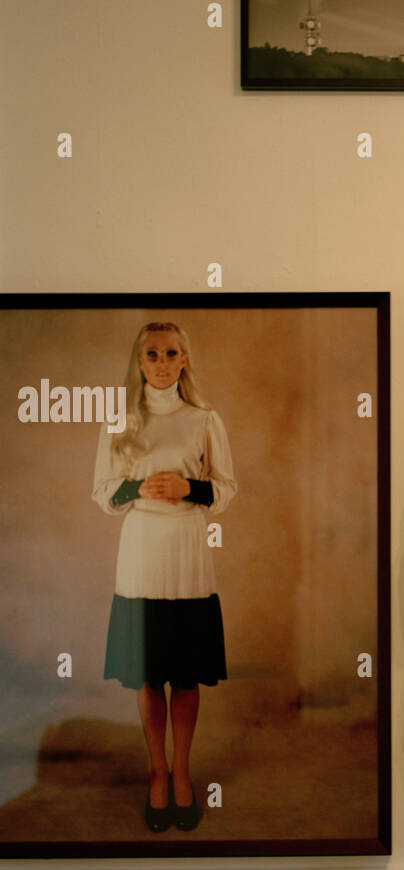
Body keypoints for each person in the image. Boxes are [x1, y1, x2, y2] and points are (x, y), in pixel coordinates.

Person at [92, 321, 237, 833]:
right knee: (150, 671)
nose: (160, 362)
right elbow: (103, 492)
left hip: (188, 547)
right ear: (139, 362)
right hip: (141, 551)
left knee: (187, 670)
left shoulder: (204, 419)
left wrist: (188, 487)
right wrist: (138, 488)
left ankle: (183, 774)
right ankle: (157, 773)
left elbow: (225, 488)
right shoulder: (121, 420)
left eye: (170, 353)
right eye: (151, 354)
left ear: (183, 361)